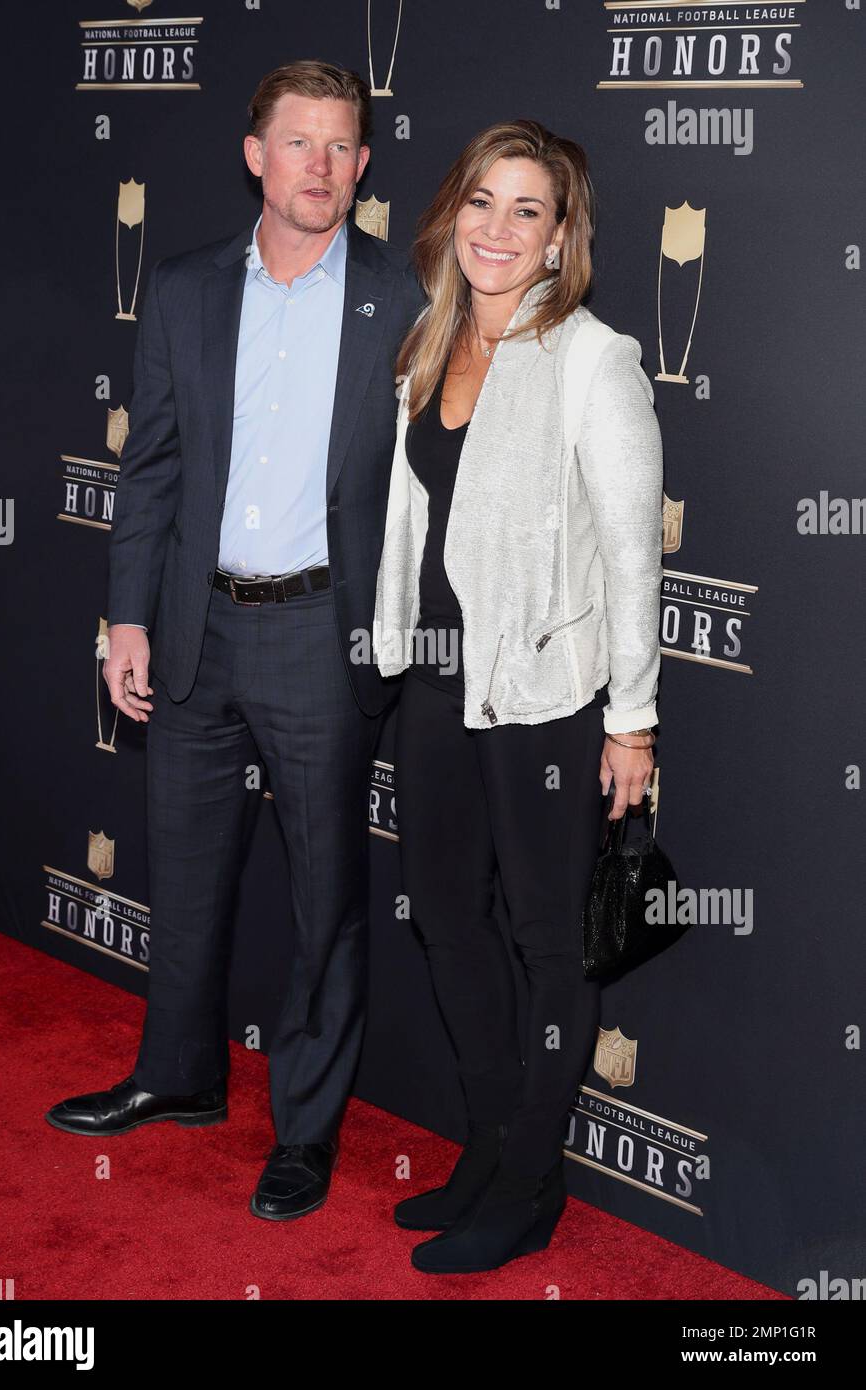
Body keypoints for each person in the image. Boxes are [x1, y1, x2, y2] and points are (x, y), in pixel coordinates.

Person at [45, 60, 424, 1222]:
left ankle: (304, 1130)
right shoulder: (185, 289)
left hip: (323, 631)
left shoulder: (405, 297)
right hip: (195, 623)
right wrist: (125, 616)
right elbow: (148, 468)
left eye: (340, 145)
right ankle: (179, 1075)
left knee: (325, 900)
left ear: (363, 165)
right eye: (296, 141)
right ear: (252, 153)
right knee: (188, 868)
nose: (319, 164)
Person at [372, 120, 664, 1273]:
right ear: (451, 214)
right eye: (480, 202)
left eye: (525, 210)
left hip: (545, 691)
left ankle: (531, 1177)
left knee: (548, 943)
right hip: (438, 685)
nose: (496, 228)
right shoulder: (428, 346)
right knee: (445, 919)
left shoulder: (591, 359)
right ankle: (489, 1144)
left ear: (559, 237)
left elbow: (635, 552)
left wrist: (630, 717)